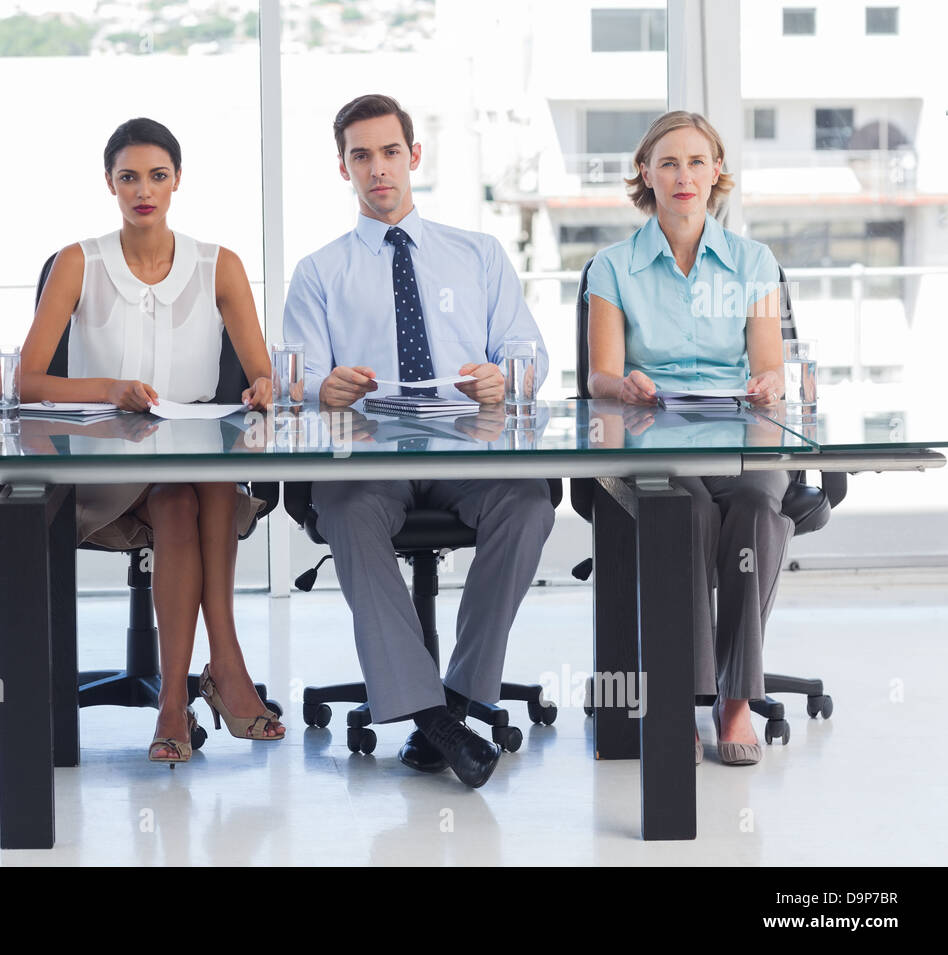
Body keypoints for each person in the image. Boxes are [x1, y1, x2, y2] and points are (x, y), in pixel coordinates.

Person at [283, 94, 555, 789]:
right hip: (370, 448)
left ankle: (454, 697)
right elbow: (298, 378)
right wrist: (324, 388)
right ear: (343, 167)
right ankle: (438, 721)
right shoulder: (319, 271)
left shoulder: (479, 255)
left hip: (467, 442)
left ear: (414, 156)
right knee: (346, 509)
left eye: (390, 152)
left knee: (529, 503)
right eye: (361, 156)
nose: (378, 168)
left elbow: (529, 354)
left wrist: (504, 377)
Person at [20, 117, 283, 763]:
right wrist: (110, 389)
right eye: (129, 177)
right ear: (109, 183)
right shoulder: (78, 262)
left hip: (190, 464)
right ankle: (223, 674)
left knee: (190, 490)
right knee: (189, 490)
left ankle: (177, 699)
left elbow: (263, 375)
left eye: (157, 176)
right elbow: (27, 381)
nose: (144, 190)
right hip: (104, 465)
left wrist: (263, 389)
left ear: (177, 181)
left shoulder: (219, 265)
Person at [585, 109, 789, 766]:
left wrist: (768, 385)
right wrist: (625, 386)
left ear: (716, 170)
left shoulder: (754, 263)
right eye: (668, 163)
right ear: (645, 173)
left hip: (738, 431)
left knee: (758, 510)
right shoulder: (612, 267)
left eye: (697, 162)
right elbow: (599, 377)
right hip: (653, 433)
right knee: (688, 512)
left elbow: (771, 367)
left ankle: (735, 699)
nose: (683, 176)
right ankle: (682, 697)